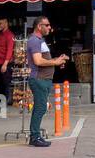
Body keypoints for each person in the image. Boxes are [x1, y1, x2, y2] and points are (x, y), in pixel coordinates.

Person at [26, 16, 66, 147]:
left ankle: (35, 136)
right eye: (47, 25)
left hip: (44, 79)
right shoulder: (34, 41)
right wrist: (54, 62)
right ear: (39, 26)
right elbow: (38, 61)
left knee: (41, 107)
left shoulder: (40, 40)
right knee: (40, 107)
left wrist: (57, 60)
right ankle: (35, 137)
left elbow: (45, 59)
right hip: (39, 79)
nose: (49, 27)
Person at [0, 17, 15, 109]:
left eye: (0, 24)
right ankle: (0, 102)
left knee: (5, 84)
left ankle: (3, 103)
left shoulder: (10, 35)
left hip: (5, 63)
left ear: (6, 23)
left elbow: (9, 51)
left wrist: (5, 64)